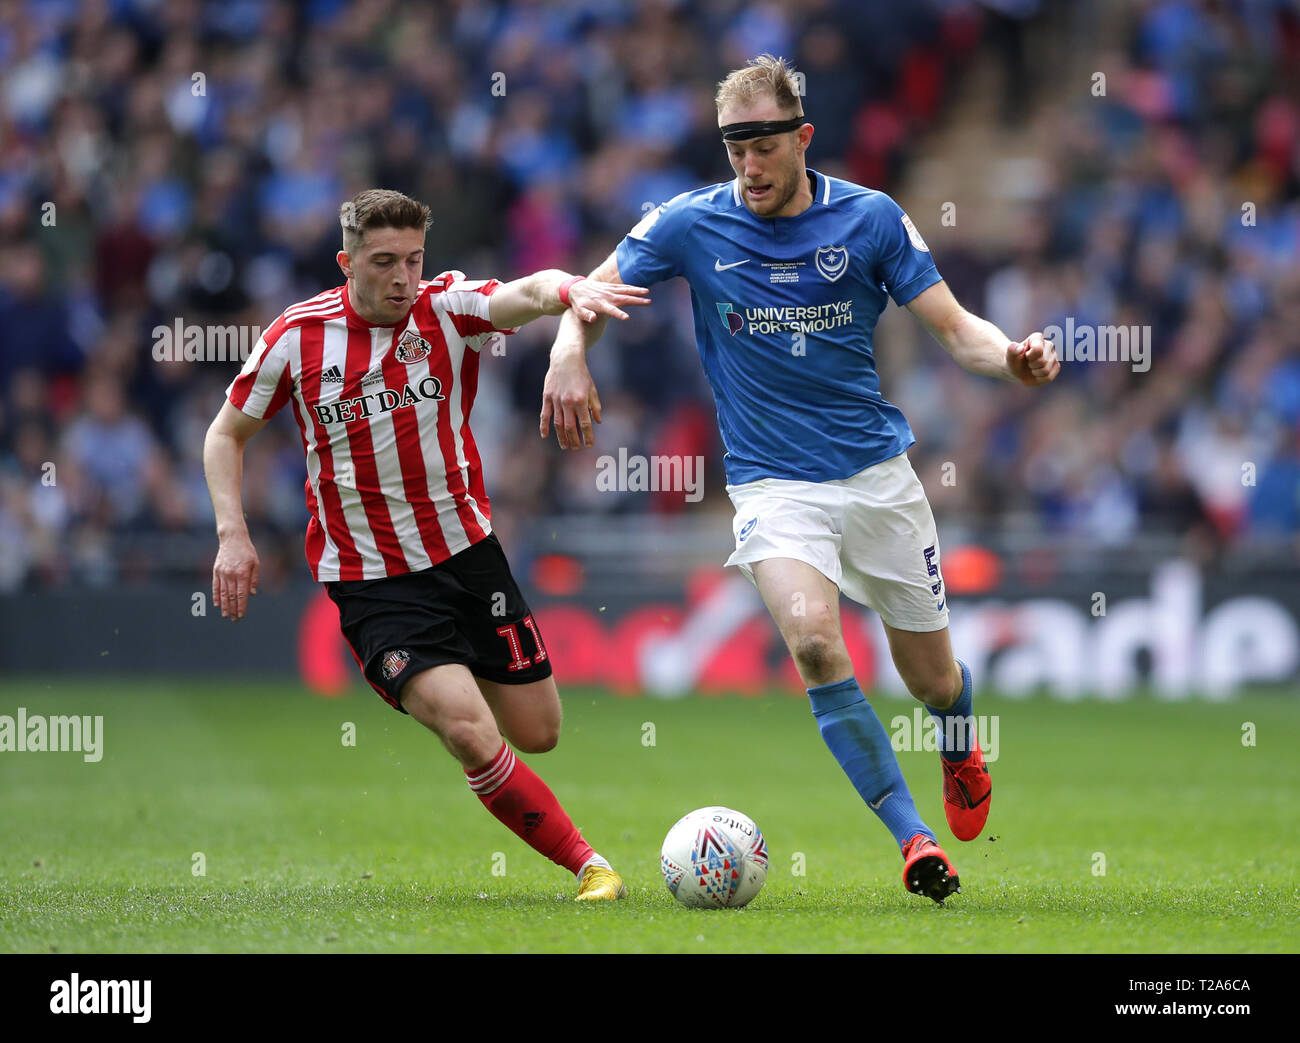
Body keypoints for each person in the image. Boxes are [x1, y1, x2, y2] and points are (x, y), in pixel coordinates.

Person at [539, 56, 1060, 903]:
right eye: (734, 146)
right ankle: (913, 839)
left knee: (931, 679)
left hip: (878, 477)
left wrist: (1012, 359)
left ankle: (959, 736)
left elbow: (957, 329)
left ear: (802, 137)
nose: (748, 164)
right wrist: (567, 351)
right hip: (774, 487)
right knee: (815, 640)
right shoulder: (687, 224)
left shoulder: (871, 218)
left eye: (763, 144)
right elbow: (587, 295)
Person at [205, 188, 648, 901]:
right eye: (384, 262)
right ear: (347, 261)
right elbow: (225, 433)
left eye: (414, 259)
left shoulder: (445, 308)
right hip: (374, 581)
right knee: (471, 730)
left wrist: (571, 288)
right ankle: (591, 866)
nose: (403, 278)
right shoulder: (296, 335)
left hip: (469, 556)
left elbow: (528, 293)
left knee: (538, 731)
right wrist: (233, 534)